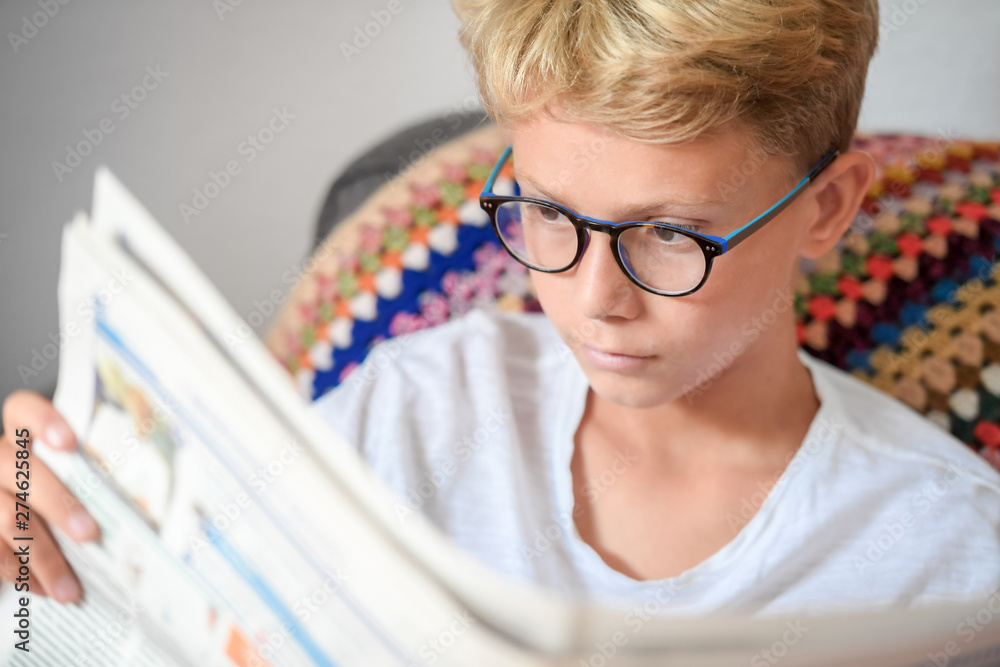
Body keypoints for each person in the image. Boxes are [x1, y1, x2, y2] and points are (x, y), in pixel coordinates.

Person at [3, 0, 999, 615]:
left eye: (669, 234)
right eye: (549, 214)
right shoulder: (413, 406)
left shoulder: (946, 555)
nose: (594, 300)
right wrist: (41, 507)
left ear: (826, 207)